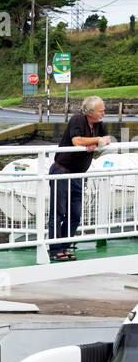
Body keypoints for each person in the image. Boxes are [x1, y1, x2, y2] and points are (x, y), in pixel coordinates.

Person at [48, 96, 110, 261]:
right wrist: (97, 140)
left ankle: (64, 246)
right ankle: (55, 249)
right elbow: (77, 141)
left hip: (77, 174)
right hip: (62, 171)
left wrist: (95, 143)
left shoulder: (97, 123)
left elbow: (107, 139)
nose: (104, 112)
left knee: (75, 214)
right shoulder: (77, 119)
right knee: (58, 212)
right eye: (101, 110)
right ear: (90, 112)